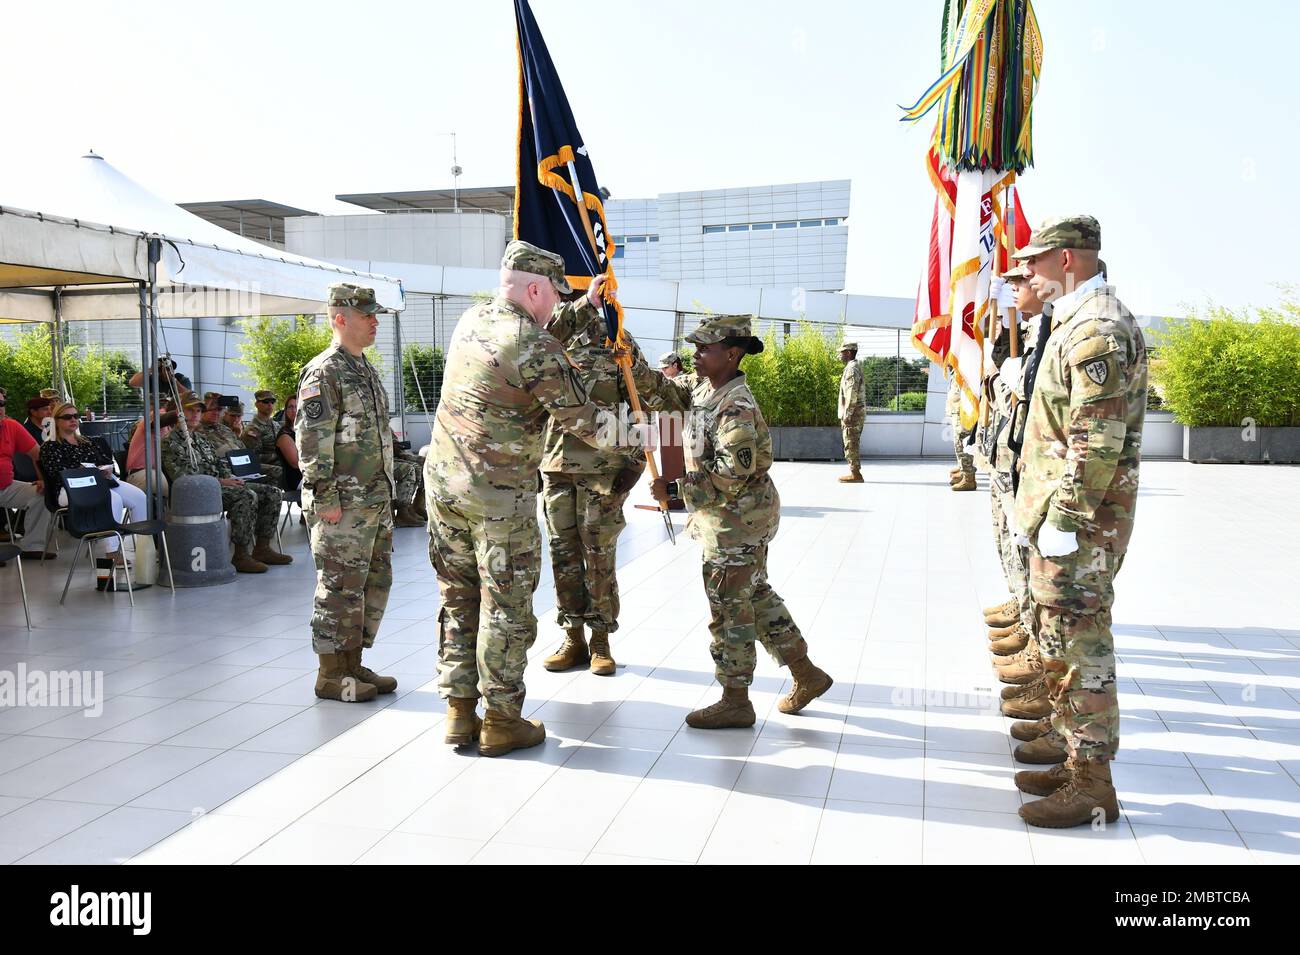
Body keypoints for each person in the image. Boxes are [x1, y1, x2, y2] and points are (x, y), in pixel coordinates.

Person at [425, 240, 629, 756]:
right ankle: (501, 719)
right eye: (554, 297)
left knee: (458, 597)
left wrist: (584, 309)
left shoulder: (472, 320)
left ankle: (458, 713)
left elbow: (525, 346)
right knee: (506, 606)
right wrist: (659, 435)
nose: (554, 307)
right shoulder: (534, 345)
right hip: (497, 501)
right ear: (535, 289)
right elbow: (590, 423)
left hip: (444, 490)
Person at [1008, 215, 1147, 829]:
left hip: (1083, 523)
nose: (1027, 272)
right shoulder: (1080, 320)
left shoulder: (1095, 329)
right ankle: (1074, 761)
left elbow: (1098, 435)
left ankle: (1093, 783)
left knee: (1081, 647)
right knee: (1064, 641)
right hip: (1066, 517)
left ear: (1067, 259)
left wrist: (1065, 514)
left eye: (1035, 261)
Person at [632, 314, 834, 729]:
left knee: (729, 611)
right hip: (727, 520)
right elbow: (661, 390)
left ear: (732, 353)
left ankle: (736, 699)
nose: (696, 355)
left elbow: (730, 474)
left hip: (737, 522)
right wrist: (625, 352)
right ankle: (806, 673)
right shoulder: (706, 386)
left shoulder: (736, 406)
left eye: (704, 348)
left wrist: (675, 492)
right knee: (755, 597)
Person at [297, 283, 399, 704]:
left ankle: (352, 662)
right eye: (367, 315)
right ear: (340, 318)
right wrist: (325, 499)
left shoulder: (363, 368)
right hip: (342, 502)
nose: (375, 322)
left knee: (371, 582)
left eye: (376, 315)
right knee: (339, 587)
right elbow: (311, 440)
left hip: (373, 499)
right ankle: (329, 674)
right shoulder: (325, 372)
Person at [539, 294, 648, 676]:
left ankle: (601, 638)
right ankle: (573, 636)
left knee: (599, 556)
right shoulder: (548, 338)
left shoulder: (618, 340)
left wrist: (636, 465)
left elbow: (644, 403)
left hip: (602, 471)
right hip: (554, 466)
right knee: (562, 555)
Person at [161, 397, 289, 574]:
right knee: (246, 496)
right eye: (191, 410)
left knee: (272, 492)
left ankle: (262, 548)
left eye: (198, 411)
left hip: (219, 485)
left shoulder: (199, 438)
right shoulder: (171, 442)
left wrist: (231, 478)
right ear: (178, 414)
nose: (196, 414)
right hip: (199, 493)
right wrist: (220, 481)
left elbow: (219, 463)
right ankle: (241, 554)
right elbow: (184, 477)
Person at [40, 402, 149, 579]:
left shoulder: (88, 441)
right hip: (71, 489)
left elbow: (104, 460)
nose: (73, 420)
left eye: (76, 416)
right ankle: (111, 552)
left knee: (138, 496)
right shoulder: (50, 446)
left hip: (100, 481)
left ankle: (145, 545)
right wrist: (83, 471)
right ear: (56, 421)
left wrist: (106, 469)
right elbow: (56, 473)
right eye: (68, 417)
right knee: (111, 499)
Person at [0, 385, 54, 558]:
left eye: (2, 403)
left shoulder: (11, 426)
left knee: (41, 494)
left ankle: (32, 547)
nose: (0, 408)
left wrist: (43, 479)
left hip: (6, 486)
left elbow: (38, 455)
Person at [199, 393, 282, 486]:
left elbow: (243, 450)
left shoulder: (224, 429)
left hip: (243, 465)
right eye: (211, 410)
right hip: (227, 468)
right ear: (202, 411)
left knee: (277, 472)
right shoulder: (197, 431)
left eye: (219, 409)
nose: (216, 413)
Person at [125, 401, 179, 498]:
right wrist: (179, 414)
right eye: (189, 410)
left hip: (160, 472)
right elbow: (157, 421)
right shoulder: (157, 415)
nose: (194, 414)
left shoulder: (177, 428)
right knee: (170, 487)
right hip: (143, 473)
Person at [837, 341, 865, 483]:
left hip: (853, 414)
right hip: (856, 412)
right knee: (852, 441)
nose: (840, 355)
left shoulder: (852, 369)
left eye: (842, 352)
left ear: (848, 352)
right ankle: (854, 471)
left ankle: (855, 474)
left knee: (851, 442)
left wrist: (847, 414)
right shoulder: (853, 367)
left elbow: (851, 393)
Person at [241, 390, 283, 475]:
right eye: (265, 402)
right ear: (256, 404)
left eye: (272, 402)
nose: (270, 405)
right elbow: (253, 457)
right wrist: (279, 456)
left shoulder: (276, 424)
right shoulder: (252, 429)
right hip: (266, 468)